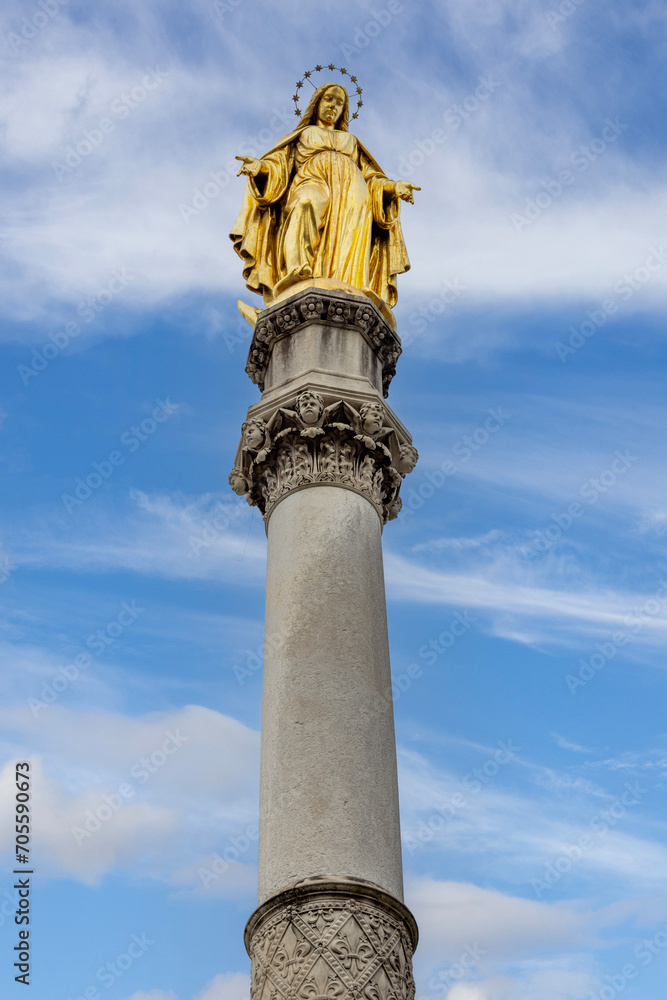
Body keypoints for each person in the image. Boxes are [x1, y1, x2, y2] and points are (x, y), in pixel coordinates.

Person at [231, 82, 419, 309]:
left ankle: (346, 286)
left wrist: (394, 187)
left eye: (340, 103)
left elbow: (372, 178)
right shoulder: (303, 134)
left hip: (353, 192)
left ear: (344, 111)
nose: (333, 106)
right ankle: (297, 270)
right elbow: (279, 165)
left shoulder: (352, 141)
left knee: (349, 237)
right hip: (312, 179)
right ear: (317, 103)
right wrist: (259, 168)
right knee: (307, 203)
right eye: (328, 99)